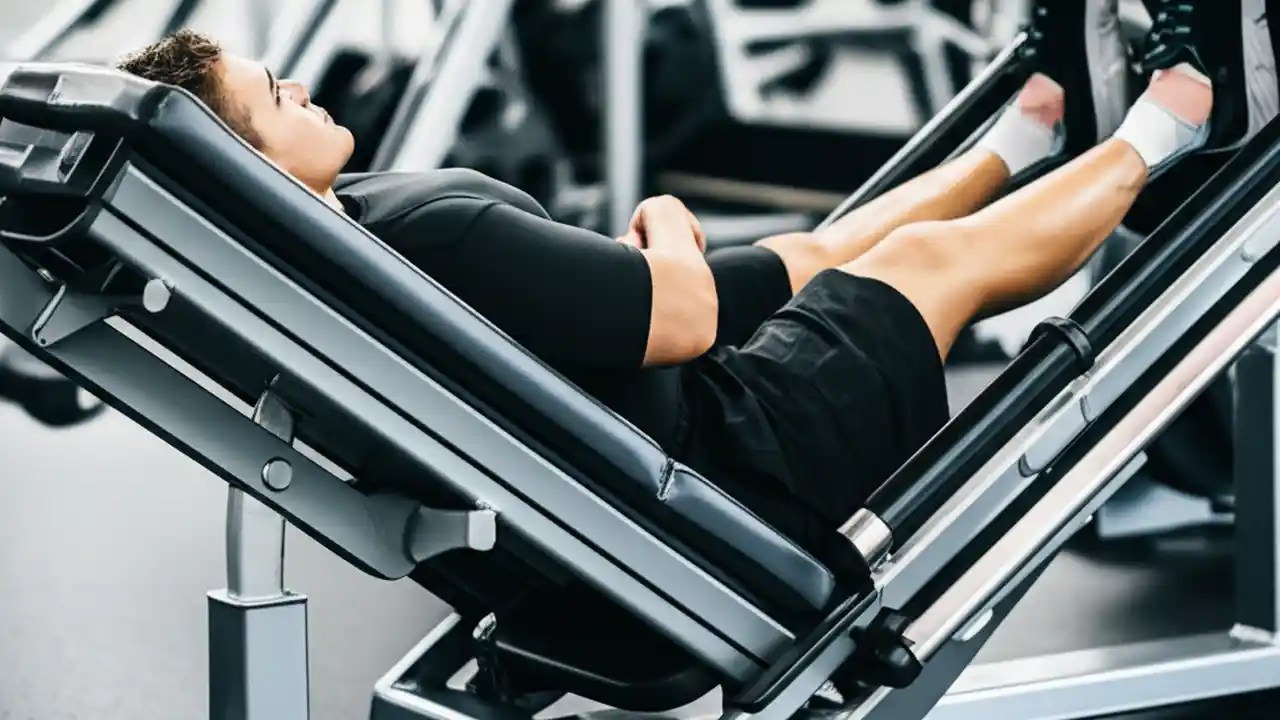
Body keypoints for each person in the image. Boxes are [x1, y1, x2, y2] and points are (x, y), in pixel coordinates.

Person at [116, 0, 1277, 572]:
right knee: (916, 267)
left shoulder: (351, 251)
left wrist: (665, 264)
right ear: (246, 163)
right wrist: (668, 224)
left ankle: (1013, 145)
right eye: (275, 95)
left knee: (825, 257)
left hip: (666, 434)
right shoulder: (415, 233)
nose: (303, 86)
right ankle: (1170, 127)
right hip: (734, 458)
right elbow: (684, 317)